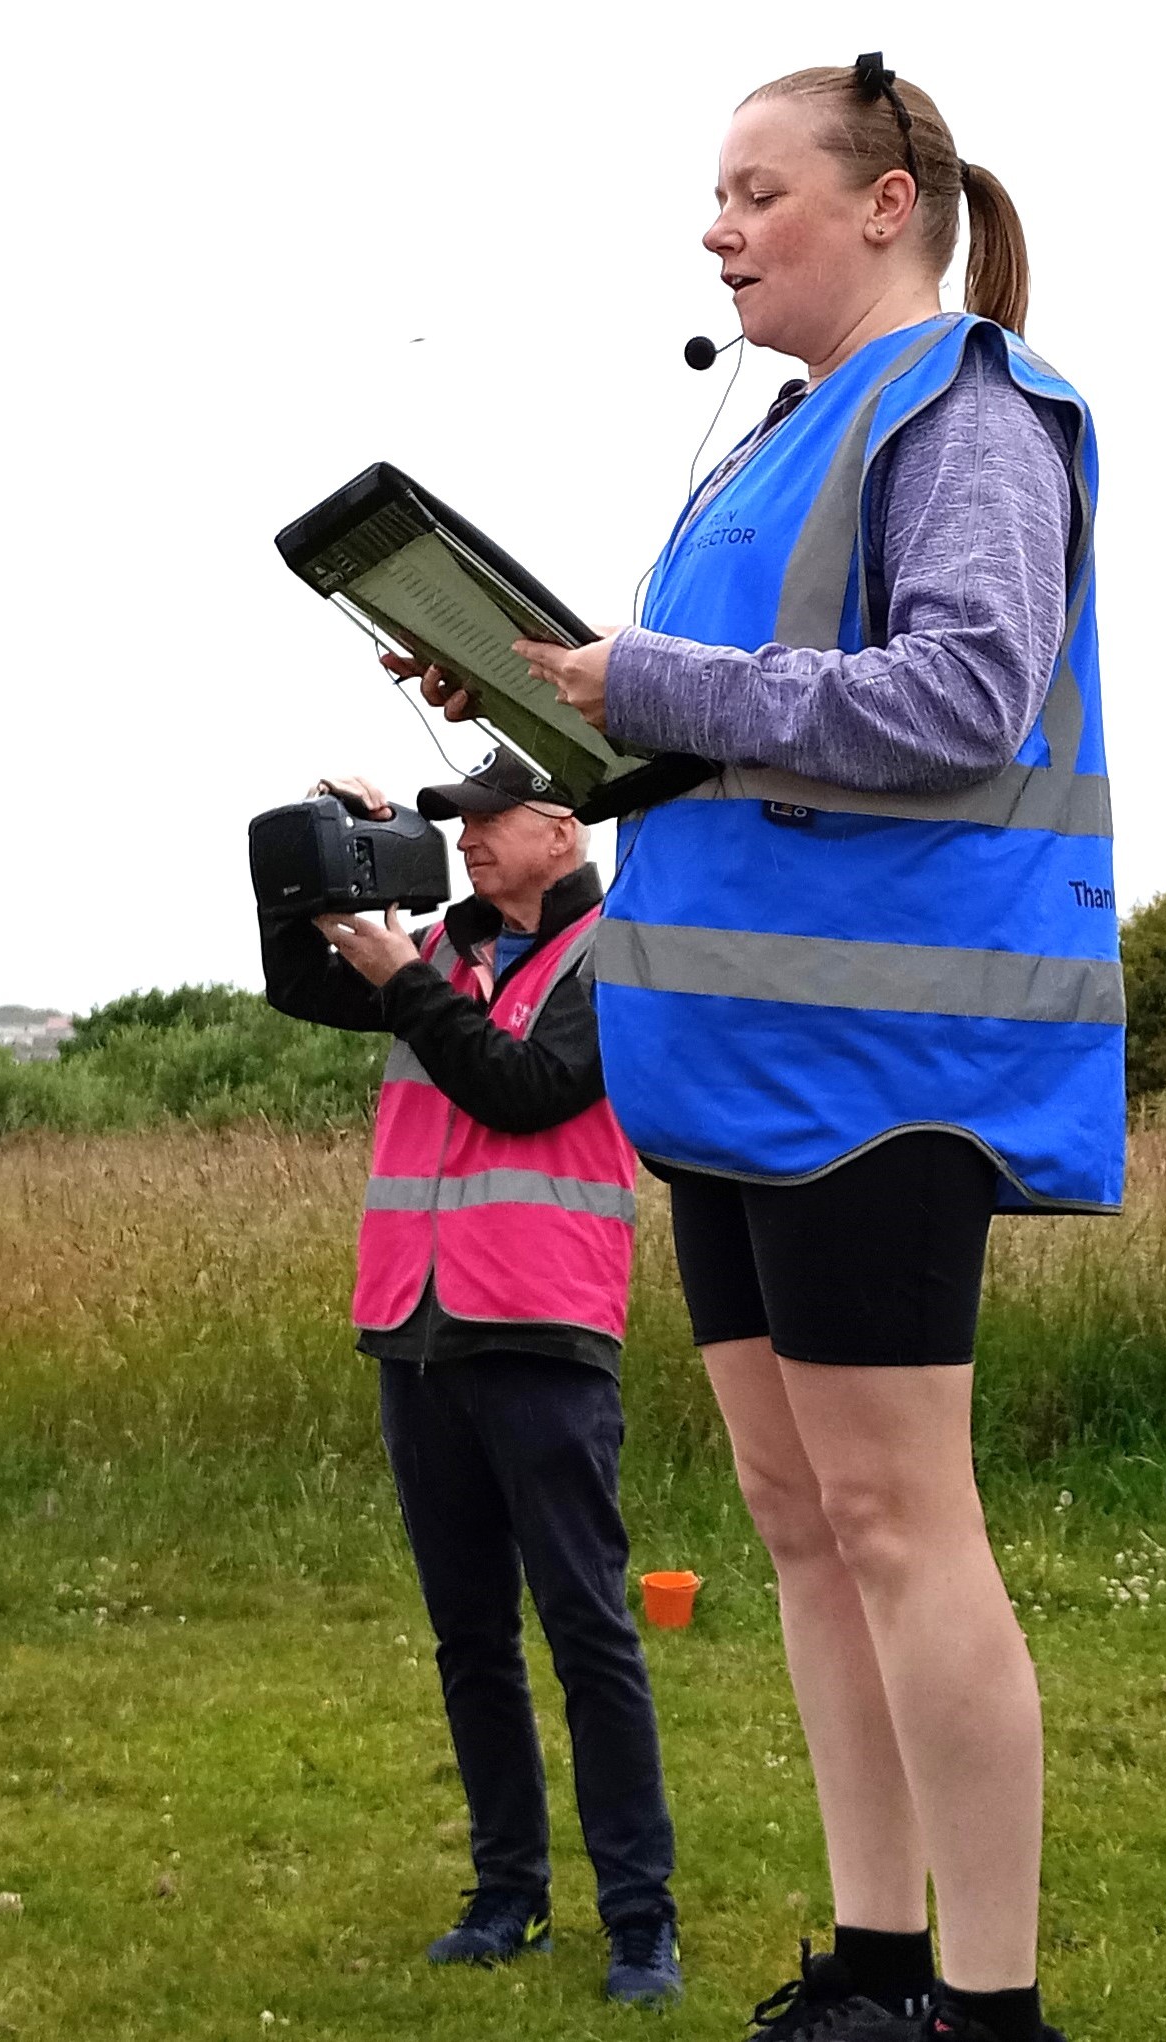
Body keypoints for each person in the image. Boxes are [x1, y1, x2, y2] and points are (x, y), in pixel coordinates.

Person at [411, 53, 1122, 2042]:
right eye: (711, 197)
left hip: (881, 1064)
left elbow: (960, 694)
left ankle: (983, 2007)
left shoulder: (962, 407)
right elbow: (712, 730)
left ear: (886, 203)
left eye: (753, 190)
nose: (714, 228)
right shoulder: (776, 446)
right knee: (803, 1519)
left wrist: (644, 675)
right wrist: (545, 688)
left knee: (900, 1519)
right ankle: (872, 1963)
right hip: (728, 1055)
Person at [258, 748, 682, 2007]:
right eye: (455, 822)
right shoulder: (434, 952)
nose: (470, 837)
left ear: (563, 828)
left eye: (489, 817)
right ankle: (507, 1895)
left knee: (589, 1634)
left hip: (544, 1331)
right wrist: (323, 869)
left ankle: (637, 1922)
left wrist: (405, 984)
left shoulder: (617, 951)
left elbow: (527, 1088)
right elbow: (295, 986)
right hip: (416, 1332)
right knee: (469, 1639)